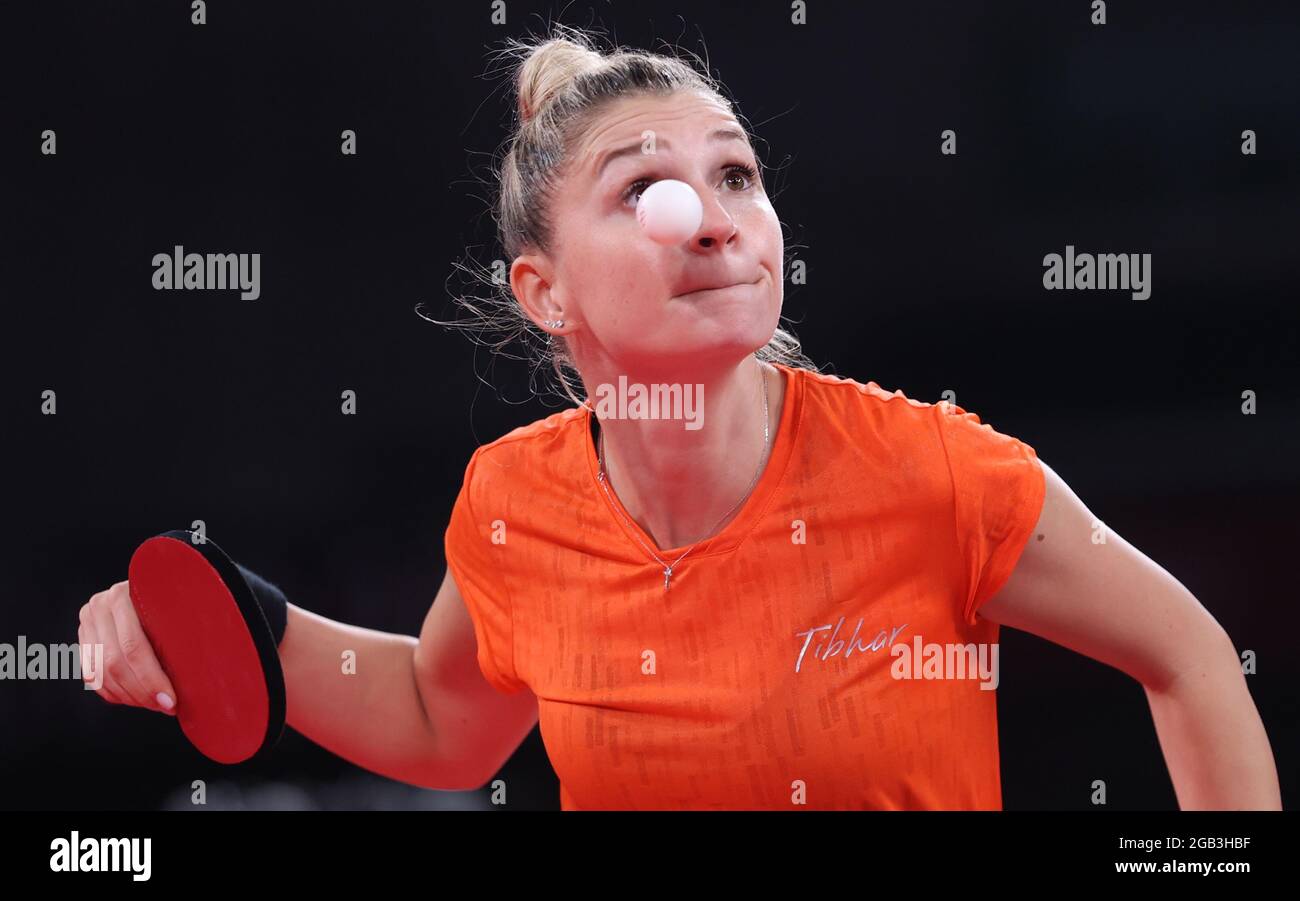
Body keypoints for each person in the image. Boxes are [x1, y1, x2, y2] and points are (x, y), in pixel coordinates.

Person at [77, 25, 1281, 811]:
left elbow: (1185, 655)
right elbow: (447, 721)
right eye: (647, 188)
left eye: (736, 177)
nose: (710, 217)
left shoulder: (937, 472)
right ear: (542, 290)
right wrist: (231, 618)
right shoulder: (516, 502)